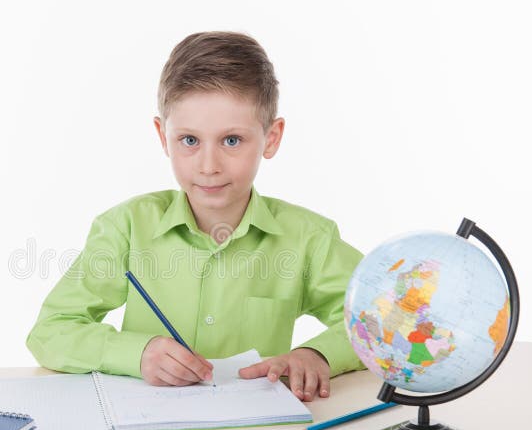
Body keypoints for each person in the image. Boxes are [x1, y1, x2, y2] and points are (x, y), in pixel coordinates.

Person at [27, 31, 365, 402]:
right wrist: (137, 354)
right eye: (189, 140)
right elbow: (50, 331)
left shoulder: (309, 239)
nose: (208, 166)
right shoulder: (126, 227)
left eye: (231, 140)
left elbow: (380, 318)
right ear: (163, 136)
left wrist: (316, 354)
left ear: (271, 137)